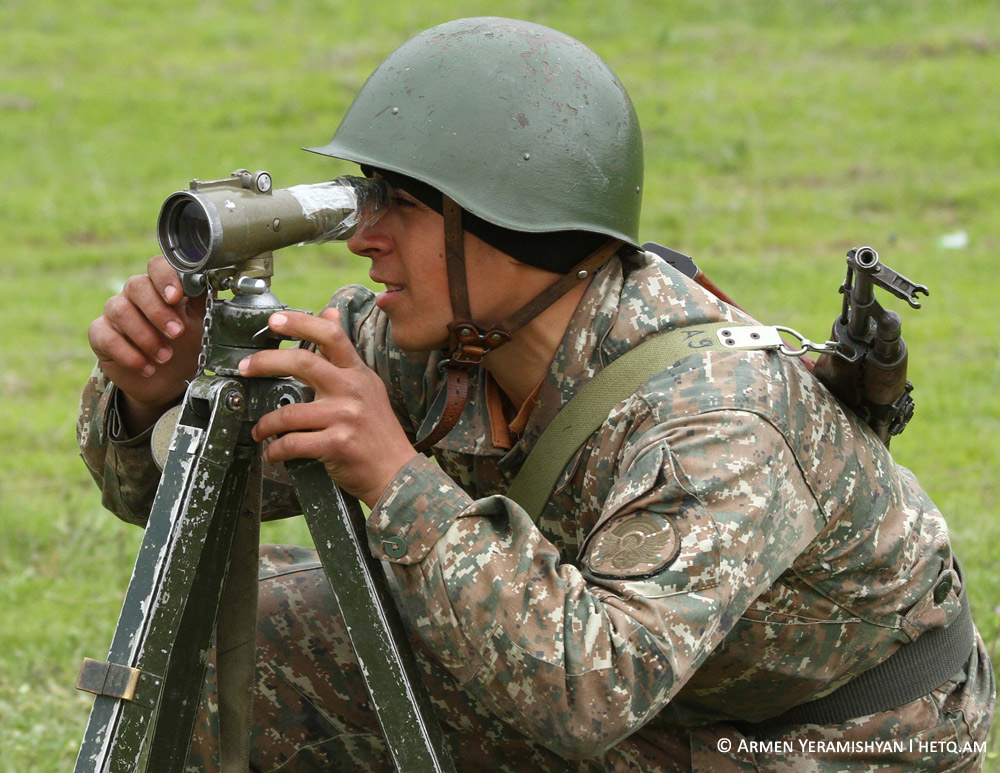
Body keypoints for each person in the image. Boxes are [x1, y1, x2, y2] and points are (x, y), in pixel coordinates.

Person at [78, 17, 993, 772]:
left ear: (511, 223)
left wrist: (397, 478)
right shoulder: (432, 338)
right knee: (234, 633)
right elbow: (175, 503)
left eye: (403, 205)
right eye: (368, 199)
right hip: (638, 700)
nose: (364, 240)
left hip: (832, 738)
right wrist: (157, 397)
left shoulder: (720, 419)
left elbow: (593, 692)